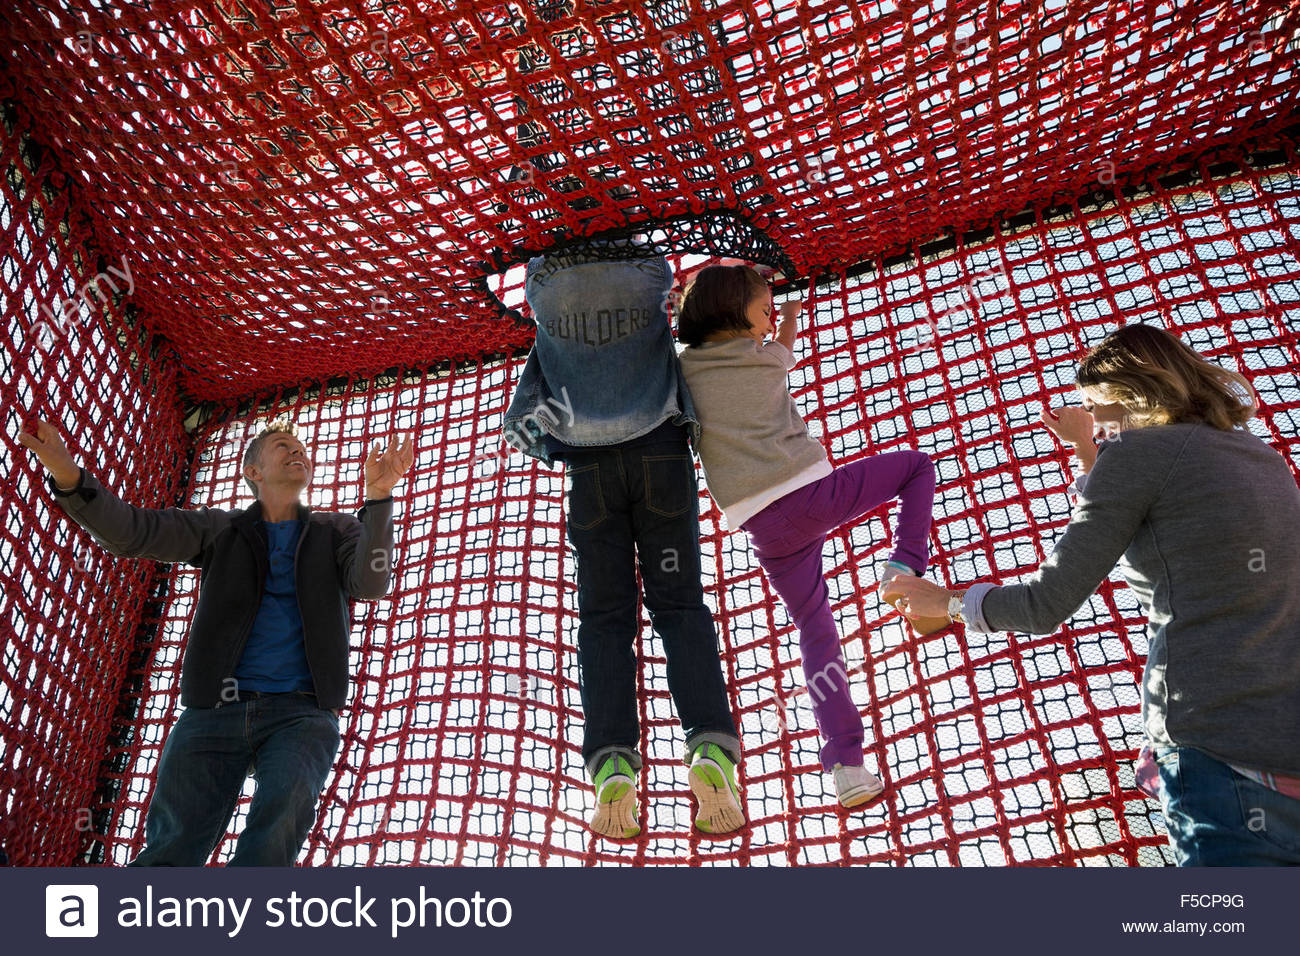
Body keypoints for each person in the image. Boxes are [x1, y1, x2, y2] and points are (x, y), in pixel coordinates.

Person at [885, 323, 1300, 865]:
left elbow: (1045, 603)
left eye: (1093, 405)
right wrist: (1086, 448)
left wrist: (948, 602)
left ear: (1125, 393)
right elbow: (1153, 517)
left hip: (1216, 745)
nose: (1095, 422)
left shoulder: (1137, 452)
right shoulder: (1256, 456)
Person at [18, 417, 414, 865]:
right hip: (213, 713)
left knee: (274, 837)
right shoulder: (220, 528)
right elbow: (132, 531)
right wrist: (67, 473)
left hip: (301, 713)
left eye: (302, 447)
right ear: (253, 472)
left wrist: (379, 499)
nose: (297, 451)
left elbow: (371, 582)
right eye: (282, 445)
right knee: (172, 849)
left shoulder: (337, 530)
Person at [503, 248, 746, 839]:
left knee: (604, 623)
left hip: (590, 473)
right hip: (658, 454)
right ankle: (710, 752)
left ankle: (612, 764)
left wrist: (559, 443)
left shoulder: (544, 284)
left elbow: (523, 423)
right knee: (680, 607)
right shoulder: (647, 271)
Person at [675, 264, 937, 808]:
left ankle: (846, 764)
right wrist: (793, 318)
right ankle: (906, 563)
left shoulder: (682, 372)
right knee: (915, 466)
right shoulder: (762, 357)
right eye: (765, 309)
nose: (772, 320)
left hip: (762, 528)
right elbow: (783, 348)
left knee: (817, 631)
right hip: (812, 497)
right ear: (735, 311)